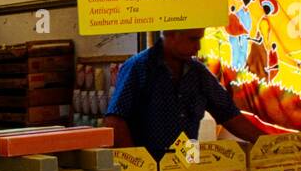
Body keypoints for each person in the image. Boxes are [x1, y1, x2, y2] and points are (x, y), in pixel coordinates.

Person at [105, 28, 264, 160]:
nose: (198, 47)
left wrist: (268, 143)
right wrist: (138, 164)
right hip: (147, 169)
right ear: (171, 34)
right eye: (193, 39)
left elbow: (230, 115)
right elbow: (115, 120)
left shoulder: (198, 73)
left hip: (186, 166)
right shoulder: (139, 67)